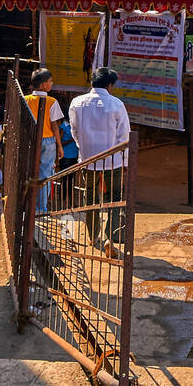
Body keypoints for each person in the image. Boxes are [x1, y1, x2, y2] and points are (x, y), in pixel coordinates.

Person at [69, 66, 130, 256]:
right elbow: (124, 136)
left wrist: (84, 151)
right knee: (114, 199)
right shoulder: (117, 105)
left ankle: (93, 236)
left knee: (91, 198)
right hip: (113, 160)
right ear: (110, 85)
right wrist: (125, 160)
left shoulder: (77, 103)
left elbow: (75, 131)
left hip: (89, 159)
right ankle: (109, 238)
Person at [24, 68, 64, 214]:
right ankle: (40, 209)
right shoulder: (52, 102)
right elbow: (54, 125)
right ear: (43, 85)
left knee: (30, 172)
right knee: (45, 176)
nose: (51, 83)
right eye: (50, 81)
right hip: (47, 141)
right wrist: (59, 146)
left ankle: (29, 207)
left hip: (30, 141)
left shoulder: (26, 100)